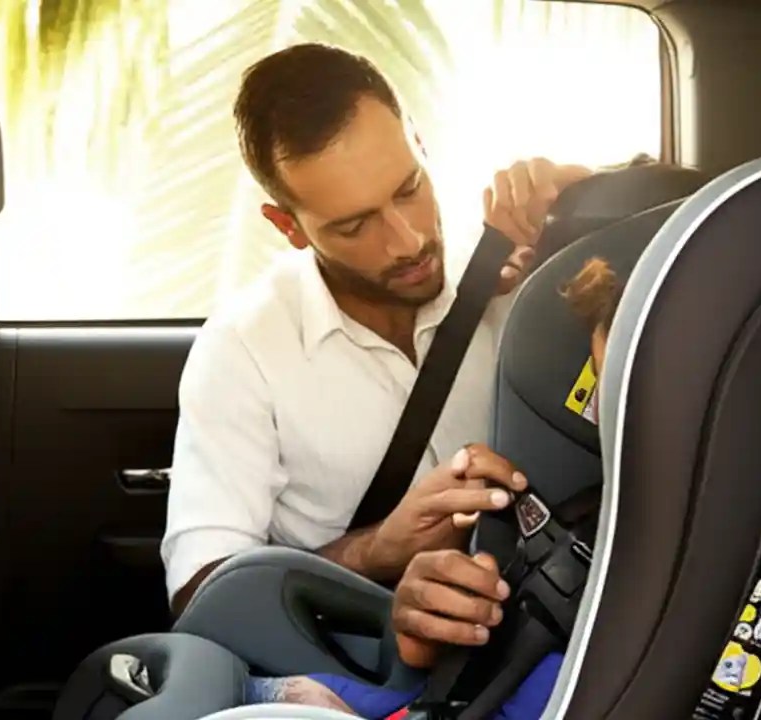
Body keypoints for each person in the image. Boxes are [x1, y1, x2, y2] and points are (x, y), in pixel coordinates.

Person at [161, 40, 595, 618]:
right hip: (366, 653)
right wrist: (374, 553)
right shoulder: (245, 349)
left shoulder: (519, 268)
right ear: (288, 226)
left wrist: (589, 202)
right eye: (354, 226)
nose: (407, 241)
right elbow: (202, 597)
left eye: (409, 189)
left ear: (418, 140)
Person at [238, 257, 628, 718]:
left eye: (635, 391)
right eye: (604, 389)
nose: (606, 417)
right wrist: (425, 646)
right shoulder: (585, 530)